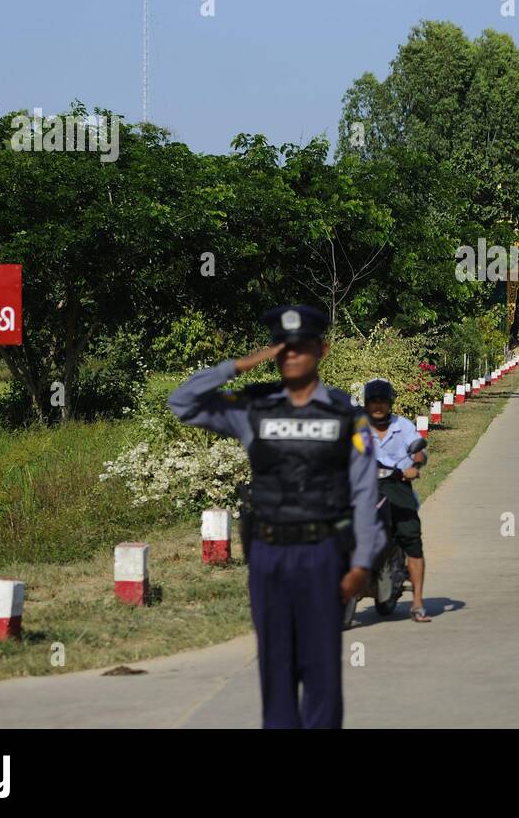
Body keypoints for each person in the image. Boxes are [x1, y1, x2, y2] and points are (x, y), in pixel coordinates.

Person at [167, 304, 383, 729]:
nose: (290, 356)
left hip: (323, 553)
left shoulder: (345, 414)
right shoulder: (254, 408)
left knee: (321, 666)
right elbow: (182, 403)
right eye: (282, 349)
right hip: (267, 555)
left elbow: (363, 491)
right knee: (275, 665)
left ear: (321, 349)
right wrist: (240, 365)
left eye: (300, 347)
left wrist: (362, 563)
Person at [362, 378, 432, 622]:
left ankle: (417, 603)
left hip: (397, 485)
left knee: (411, 537)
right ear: (366, 404)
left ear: (390, 403)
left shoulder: (403, 426)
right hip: (364, 487)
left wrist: (416, 463)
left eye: (382, 401)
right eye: (373, 402)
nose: (378, 406)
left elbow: (419, 450)